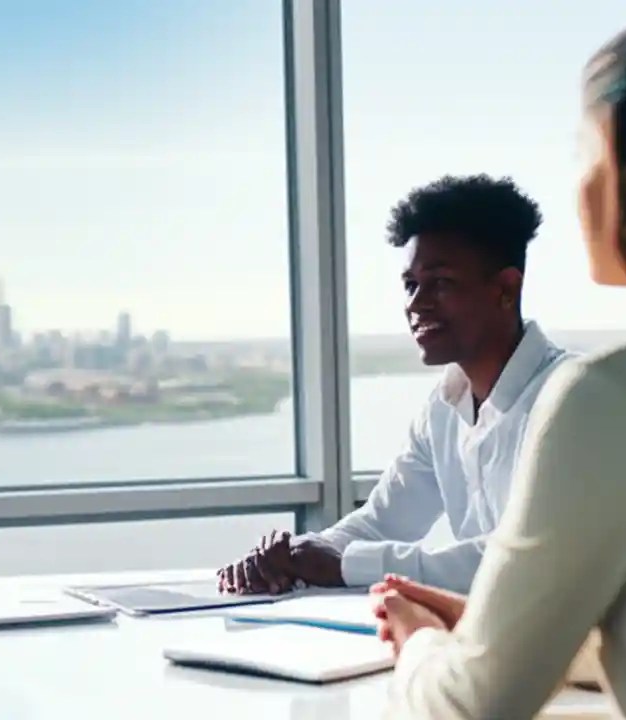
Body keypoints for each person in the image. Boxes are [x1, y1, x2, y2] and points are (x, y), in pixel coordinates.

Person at [375, 2, 626, 717]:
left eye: (585, 153)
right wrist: (494, 630)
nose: (577, 186)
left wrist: (418, 640)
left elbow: (470, 706)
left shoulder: (618, 395)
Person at [219, 175, 571, 594]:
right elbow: (381, 521)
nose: (416, 303)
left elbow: (527, 558)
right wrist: (292, 556)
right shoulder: (444, 408)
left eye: (440, 283)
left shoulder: (570, 399)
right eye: (410, 285)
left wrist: (346, 565)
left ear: (506, 289)